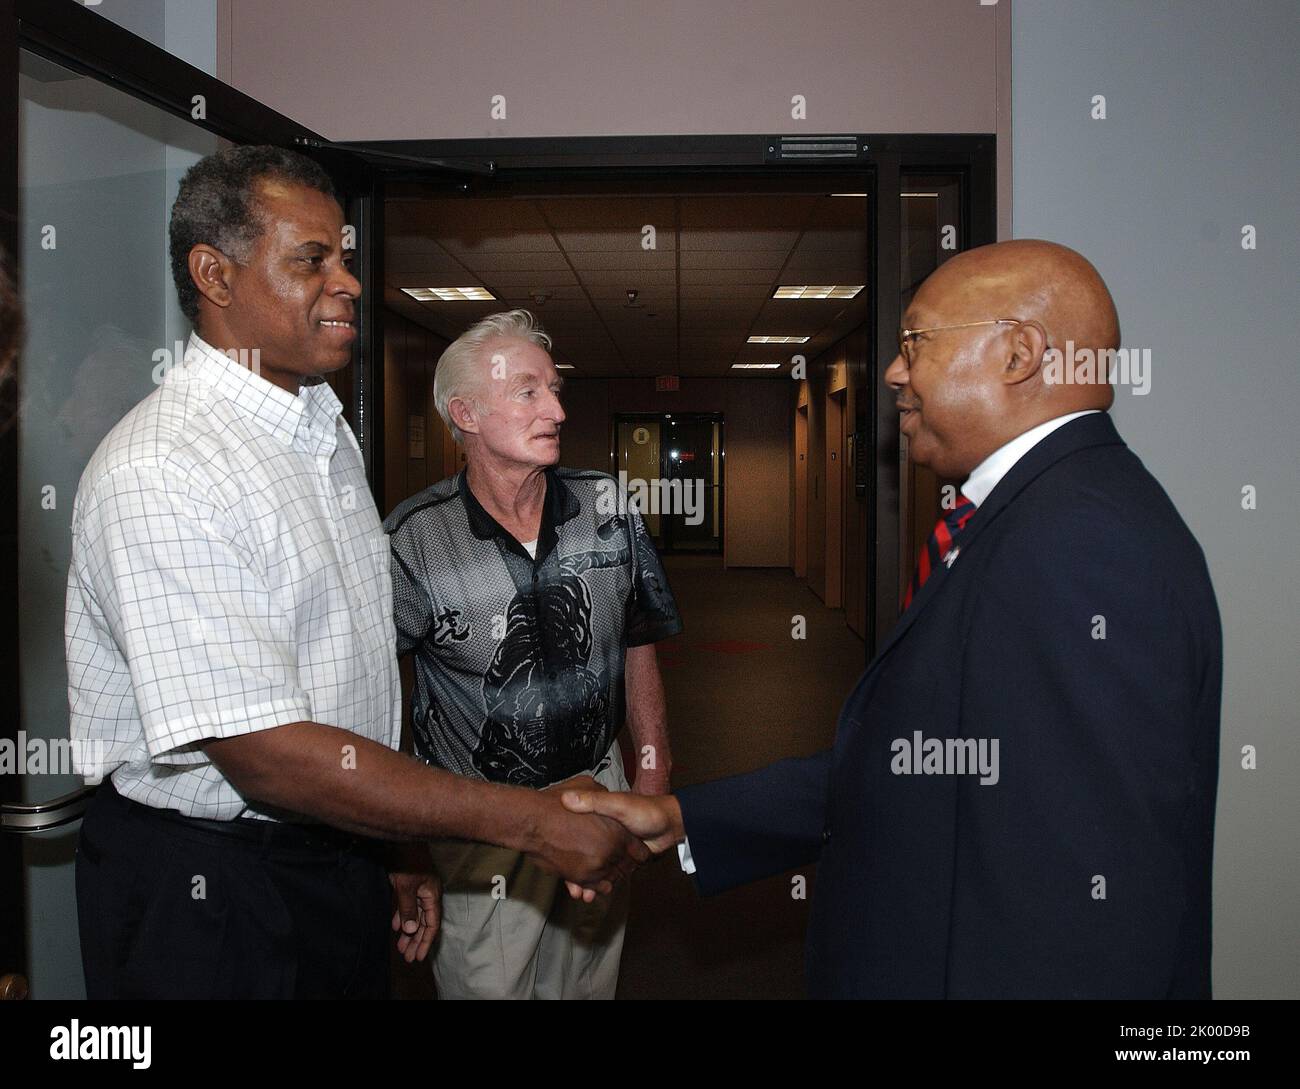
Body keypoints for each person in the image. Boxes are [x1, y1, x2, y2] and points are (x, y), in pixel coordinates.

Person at [564, 239, 1222, 999]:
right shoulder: (1030, 516)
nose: (894, 372)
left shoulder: (1082, 543)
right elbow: (918, 764)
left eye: (915, 341)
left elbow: (1082, 898)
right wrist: (685, 817)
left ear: (1019, 353)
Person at [66, 146, 645, 1000]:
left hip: (329, 852)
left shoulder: (320, 435)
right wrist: (528, 822)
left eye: (344, 255)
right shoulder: (165, 467)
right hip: (209, 889)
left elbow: (351, 672)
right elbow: (266, 755)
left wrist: (390, 851)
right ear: (214, 274)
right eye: (312, 260)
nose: (348, 281)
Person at [384, 310, 680, 999]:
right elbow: (382, 697)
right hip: (479, 815)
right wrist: (403, 846)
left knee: (586, 985)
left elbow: (638, 642)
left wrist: (653, 776)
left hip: (595, 793)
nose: (555, 407)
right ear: (466, 413)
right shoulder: (412, 541)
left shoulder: (608, 506)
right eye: (528, 392)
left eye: (554, 389)